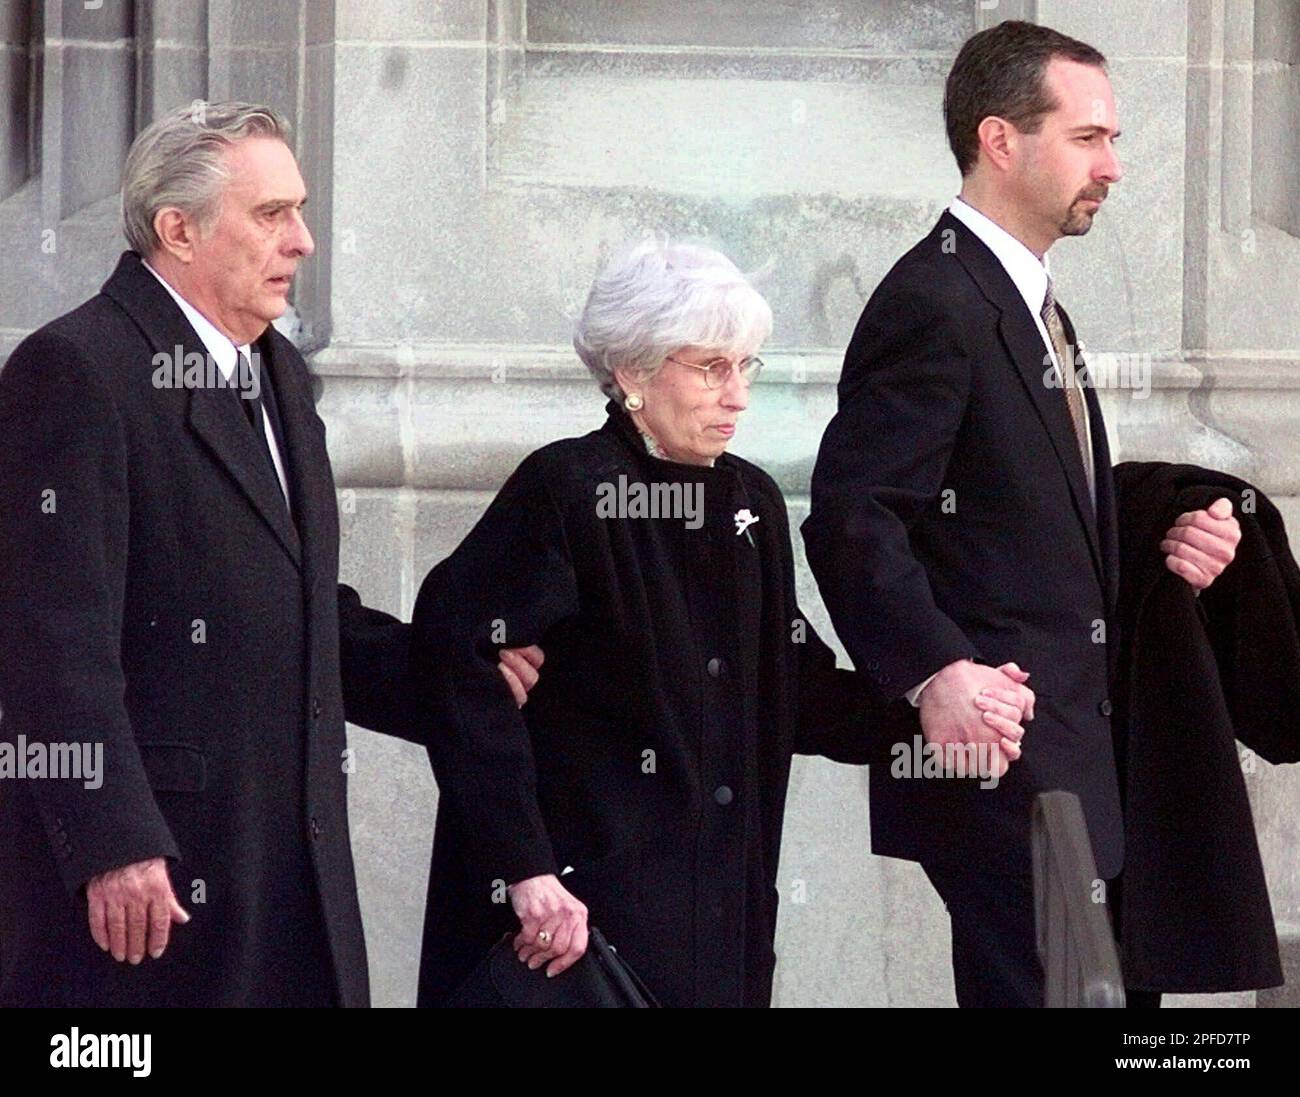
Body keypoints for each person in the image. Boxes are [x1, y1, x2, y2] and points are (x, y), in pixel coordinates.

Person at [0, 102, 539, 1007]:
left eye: (300, 210)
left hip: (296, 882)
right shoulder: (77, 370)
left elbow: (295, 606)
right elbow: (48, 641)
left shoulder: (280, 373)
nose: (304, 241)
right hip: (152, 893)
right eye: (271, 214)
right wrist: (114, 840)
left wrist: (456, 675)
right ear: (179, 229)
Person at [408, 239, 1030, 1007]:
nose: (737, 395)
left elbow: (794, 685)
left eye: (746, 367)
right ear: (633, 371)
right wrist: (526, 870)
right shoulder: (569, 489)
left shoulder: (751, 504)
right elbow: (458, 662)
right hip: (579, 934)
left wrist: (937, 711)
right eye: (711, 367)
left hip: (719, 932)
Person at [803, 21, 1240, 1007]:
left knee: (1103, 1003)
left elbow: (1028, 504)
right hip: (1009, 773)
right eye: (1089, 138)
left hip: (1078, 770)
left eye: (1113, 140)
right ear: (1000, 141)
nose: (1113, 167)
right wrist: (931, 670)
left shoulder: (1031, 302)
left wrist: (1161, 532)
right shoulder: (936, 301)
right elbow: (852, 512)